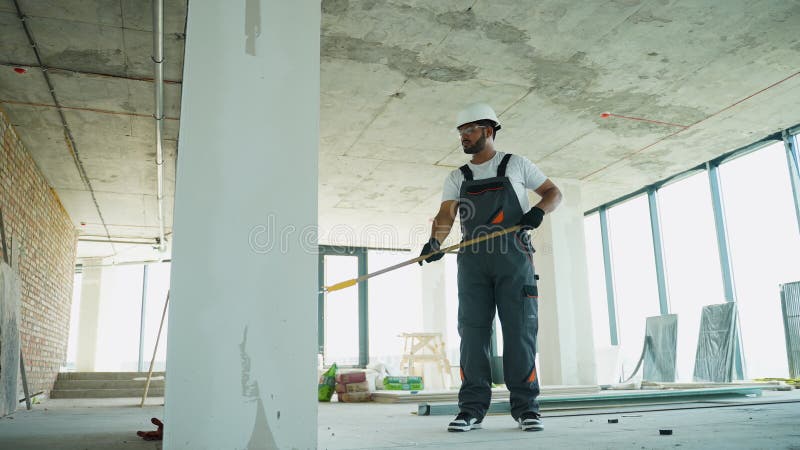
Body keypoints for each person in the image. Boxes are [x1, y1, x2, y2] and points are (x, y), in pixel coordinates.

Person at [419, 103, 562, 432]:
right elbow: (446, 215)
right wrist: (435, 241)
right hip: (473, 262)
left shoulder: (516, 165)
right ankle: (471, 409)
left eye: (468, 130)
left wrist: (539, 211)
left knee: (519, 333)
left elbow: (553, 193)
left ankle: (527, 408)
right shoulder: (457, 176)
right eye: (460, 133)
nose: (463, 137)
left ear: (488, 130)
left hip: (513, 257)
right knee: (472, 334)